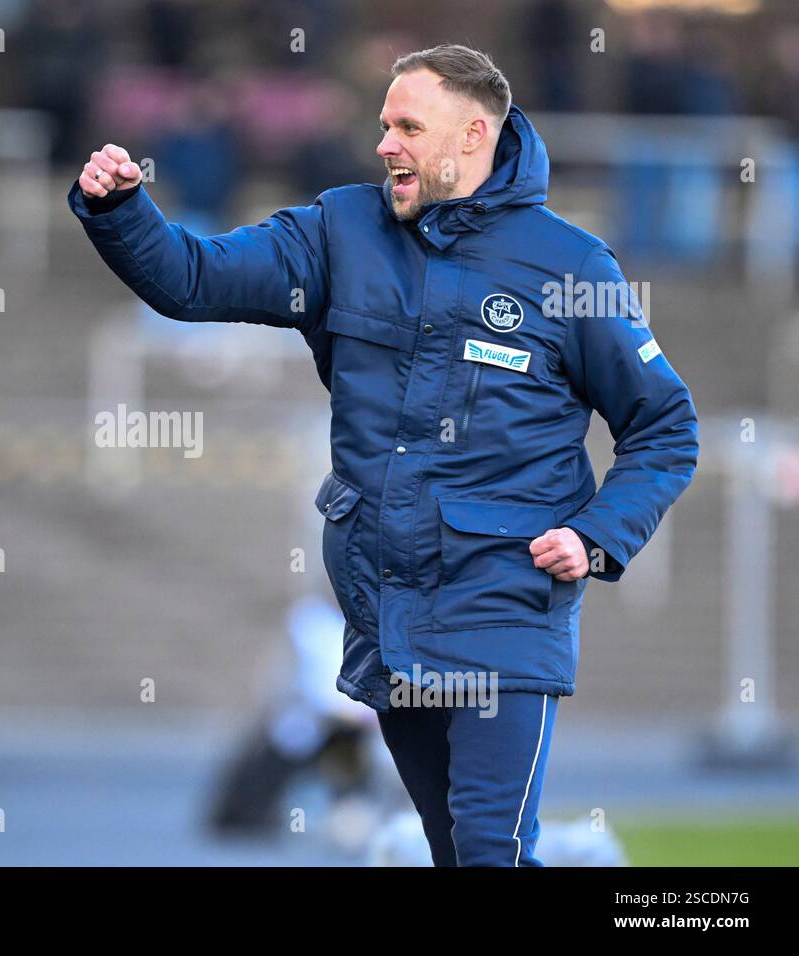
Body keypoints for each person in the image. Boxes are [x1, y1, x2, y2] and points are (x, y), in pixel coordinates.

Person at [69, 45, 698, 866]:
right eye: (383, 125)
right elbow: (194, 279)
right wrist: (123, 211)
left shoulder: (572, 266)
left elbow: (665, 425)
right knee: (457, 854)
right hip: (388, 616)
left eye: (409, 126)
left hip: (506, 609)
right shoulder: (340, 230)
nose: (386, 144)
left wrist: (597, 534)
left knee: (489, 851)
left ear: (472, 135)